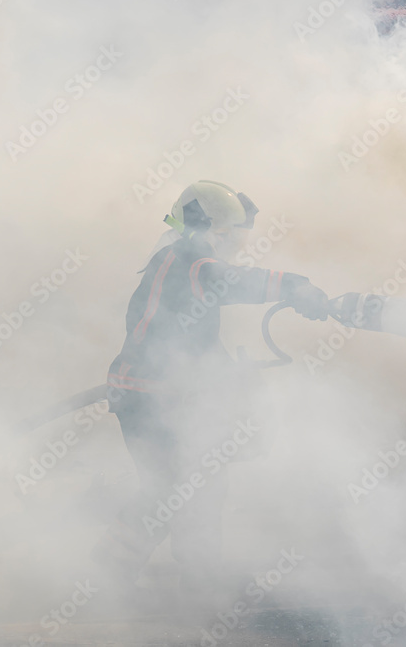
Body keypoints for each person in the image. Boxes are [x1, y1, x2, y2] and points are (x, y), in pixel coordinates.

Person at [92, 180, 329, 606]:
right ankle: (116, 579)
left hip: (155, 394)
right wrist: (296, 286)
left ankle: (182, 579)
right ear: (214, 230)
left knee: (189, 485)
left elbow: (186, 339)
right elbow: (233, 281)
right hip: (150, 396)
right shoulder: (189, 261)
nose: (237, 244)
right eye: (232, 234)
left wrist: (224, 373)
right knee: (176, 488)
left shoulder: (175, 257)